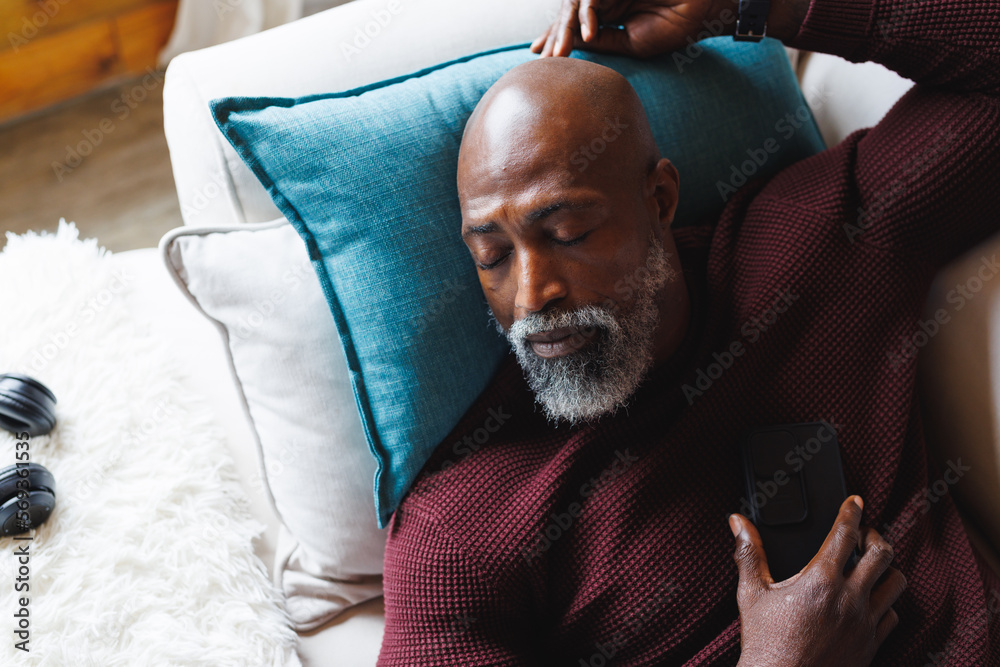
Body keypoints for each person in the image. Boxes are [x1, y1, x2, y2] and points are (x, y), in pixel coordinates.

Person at [376, 0, 1000, 663]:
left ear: (660, 200)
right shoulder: (460, 534)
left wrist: (750, 8)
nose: (533, 298)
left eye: (567, 233)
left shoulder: (814, 245)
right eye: (493, 256)